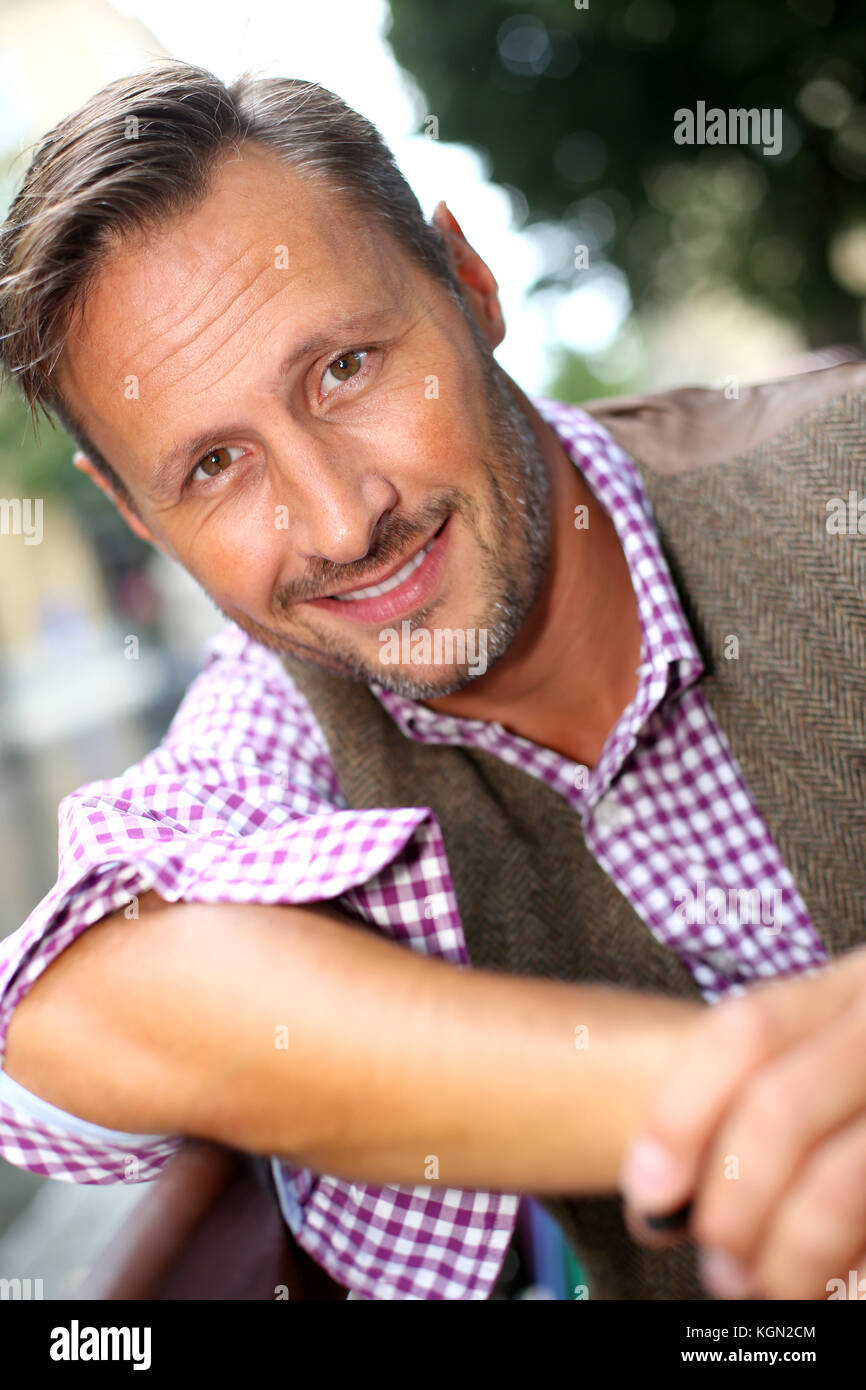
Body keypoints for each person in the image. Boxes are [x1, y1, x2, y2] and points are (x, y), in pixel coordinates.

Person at [0, 59, 864, 1302]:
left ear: (469, 282)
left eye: (344, 369)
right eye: (213, 466)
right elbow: (85, 1006)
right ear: (132, 513)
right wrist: (750, 1104)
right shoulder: (284, 711)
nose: (341, 522)